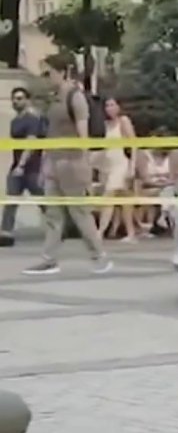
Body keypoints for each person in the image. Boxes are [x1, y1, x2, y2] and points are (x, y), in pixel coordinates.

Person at [23, 52, 112, 275]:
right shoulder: (52, 99)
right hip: (54, 161)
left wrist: (85, 165)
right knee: (53, 213)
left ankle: (99, 256)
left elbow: (83, 133)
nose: (46, 77)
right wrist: (46, 162)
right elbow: (50, 133)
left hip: (72, 162)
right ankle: (49, 258)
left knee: (80, 212)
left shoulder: (75, 97)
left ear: (62, 72)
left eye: (50, 72)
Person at [1, 87, 45, 246]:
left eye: (19, 98)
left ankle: (60, 227)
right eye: (14, 98)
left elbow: (31, 142)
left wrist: (22, 164)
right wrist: (17, 166)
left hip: (32, 166)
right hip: (17, 166)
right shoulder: (15, 120)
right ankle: (5, 233)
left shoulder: (33, 118)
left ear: (27, 100)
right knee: (11, 199)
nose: (16, 101)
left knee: (43, 200)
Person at [96, 97, 139, 242]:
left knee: (108, 196)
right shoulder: (105, 125)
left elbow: (134, 144)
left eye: (112, 105)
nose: (109, 108)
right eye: (107, 106)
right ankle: (131, 232)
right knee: (125, 200)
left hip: (122, 163)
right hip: (110, 165)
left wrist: (132, 167)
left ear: (119, 106)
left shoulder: (124, 121)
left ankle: (99, 232)